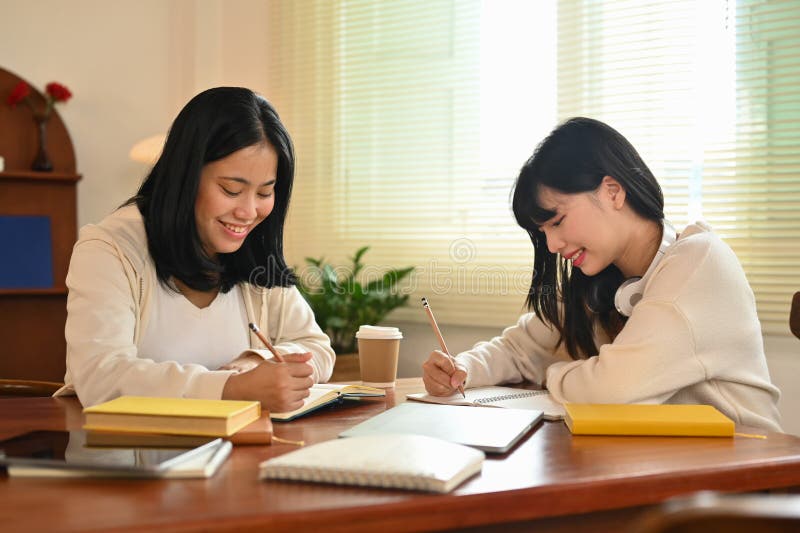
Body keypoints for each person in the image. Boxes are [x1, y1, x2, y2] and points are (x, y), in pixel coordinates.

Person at [422, 117, 782, 432]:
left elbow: (615, 390)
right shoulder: (603, 279)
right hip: (668, 464)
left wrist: (553, 373)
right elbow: (521, 348)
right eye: (543, 232)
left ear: (612, 191)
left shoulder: (699, 263)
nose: (552, 245)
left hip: (745, 471)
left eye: (557, 221)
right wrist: (462, 368)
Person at [58, 87, 335, 412]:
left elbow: (316, 348)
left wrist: (255, 361)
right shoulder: (109, 250)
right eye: (231, 190)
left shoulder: (253, 255)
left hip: (240, 443)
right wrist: (232, 387)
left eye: (264, 193)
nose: (248, 212)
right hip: (132, 444)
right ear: (185, 177)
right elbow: (101, 377)